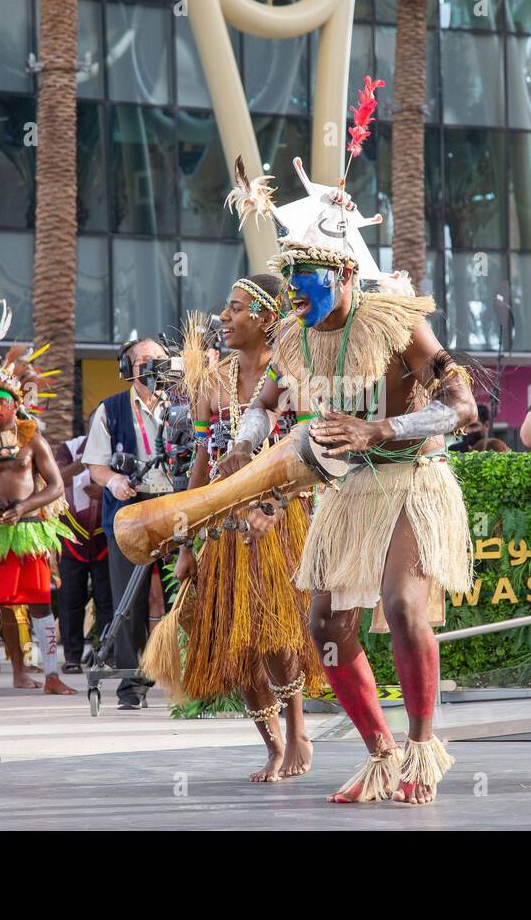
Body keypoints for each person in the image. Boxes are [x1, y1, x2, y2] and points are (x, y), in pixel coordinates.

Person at [216, 124, 476, 805]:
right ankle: (380, 755)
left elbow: (462, 406)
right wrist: (243, 444)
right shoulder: (293, 333)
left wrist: (380, 427)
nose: (296, 286)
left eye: (308, 274)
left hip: (412, 478)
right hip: (346, 489)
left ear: (347, 273)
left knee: (400, 602)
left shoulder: (397, 322)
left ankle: (422, 748)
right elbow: (262, 400)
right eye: (290, 275)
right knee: (326, 628)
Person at [150, 275, 323, 782]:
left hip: (282, 521)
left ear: (268, 319)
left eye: (236, 309)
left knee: (276, 635)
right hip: (225, 528)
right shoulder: (210, 382)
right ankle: (270, 743)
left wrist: (270, 507)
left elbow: (309, 457)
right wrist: (185, 541)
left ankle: (297, 734)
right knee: (234, 639)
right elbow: (199, 469)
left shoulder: (294, 377)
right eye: (226, 309)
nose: (223, 318)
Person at [0, 370, 74, 698]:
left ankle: (52, 675)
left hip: (29, 531)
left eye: (1, 403)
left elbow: (56, 485)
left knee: (41, 605)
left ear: (16, 405)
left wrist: (24, 507)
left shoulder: (33, 439)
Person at [83, 338, 174, 710]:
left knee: (183, 595)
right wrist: (115, 481)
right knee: (128, 601)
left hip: (175, 507)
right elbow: (96, 466)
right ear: (128, 368)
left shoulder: (181, 405)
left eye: (159, 361)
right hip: (129, 512)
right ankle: (131, 688)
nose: (152, 367)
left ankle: (189, 680)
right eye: (144, 361)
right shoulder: (111, 409)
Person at [54, 429, 111, 672]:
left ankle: (109, 655)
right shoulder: (68, 448)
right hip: (72, 537)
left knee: (107, 600)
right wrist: (83, 463)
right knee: (70, 600)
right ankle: (72, 658)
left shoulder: (114, 446)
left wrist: (105, 491)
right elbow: (56, 480)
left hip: (104, 537)